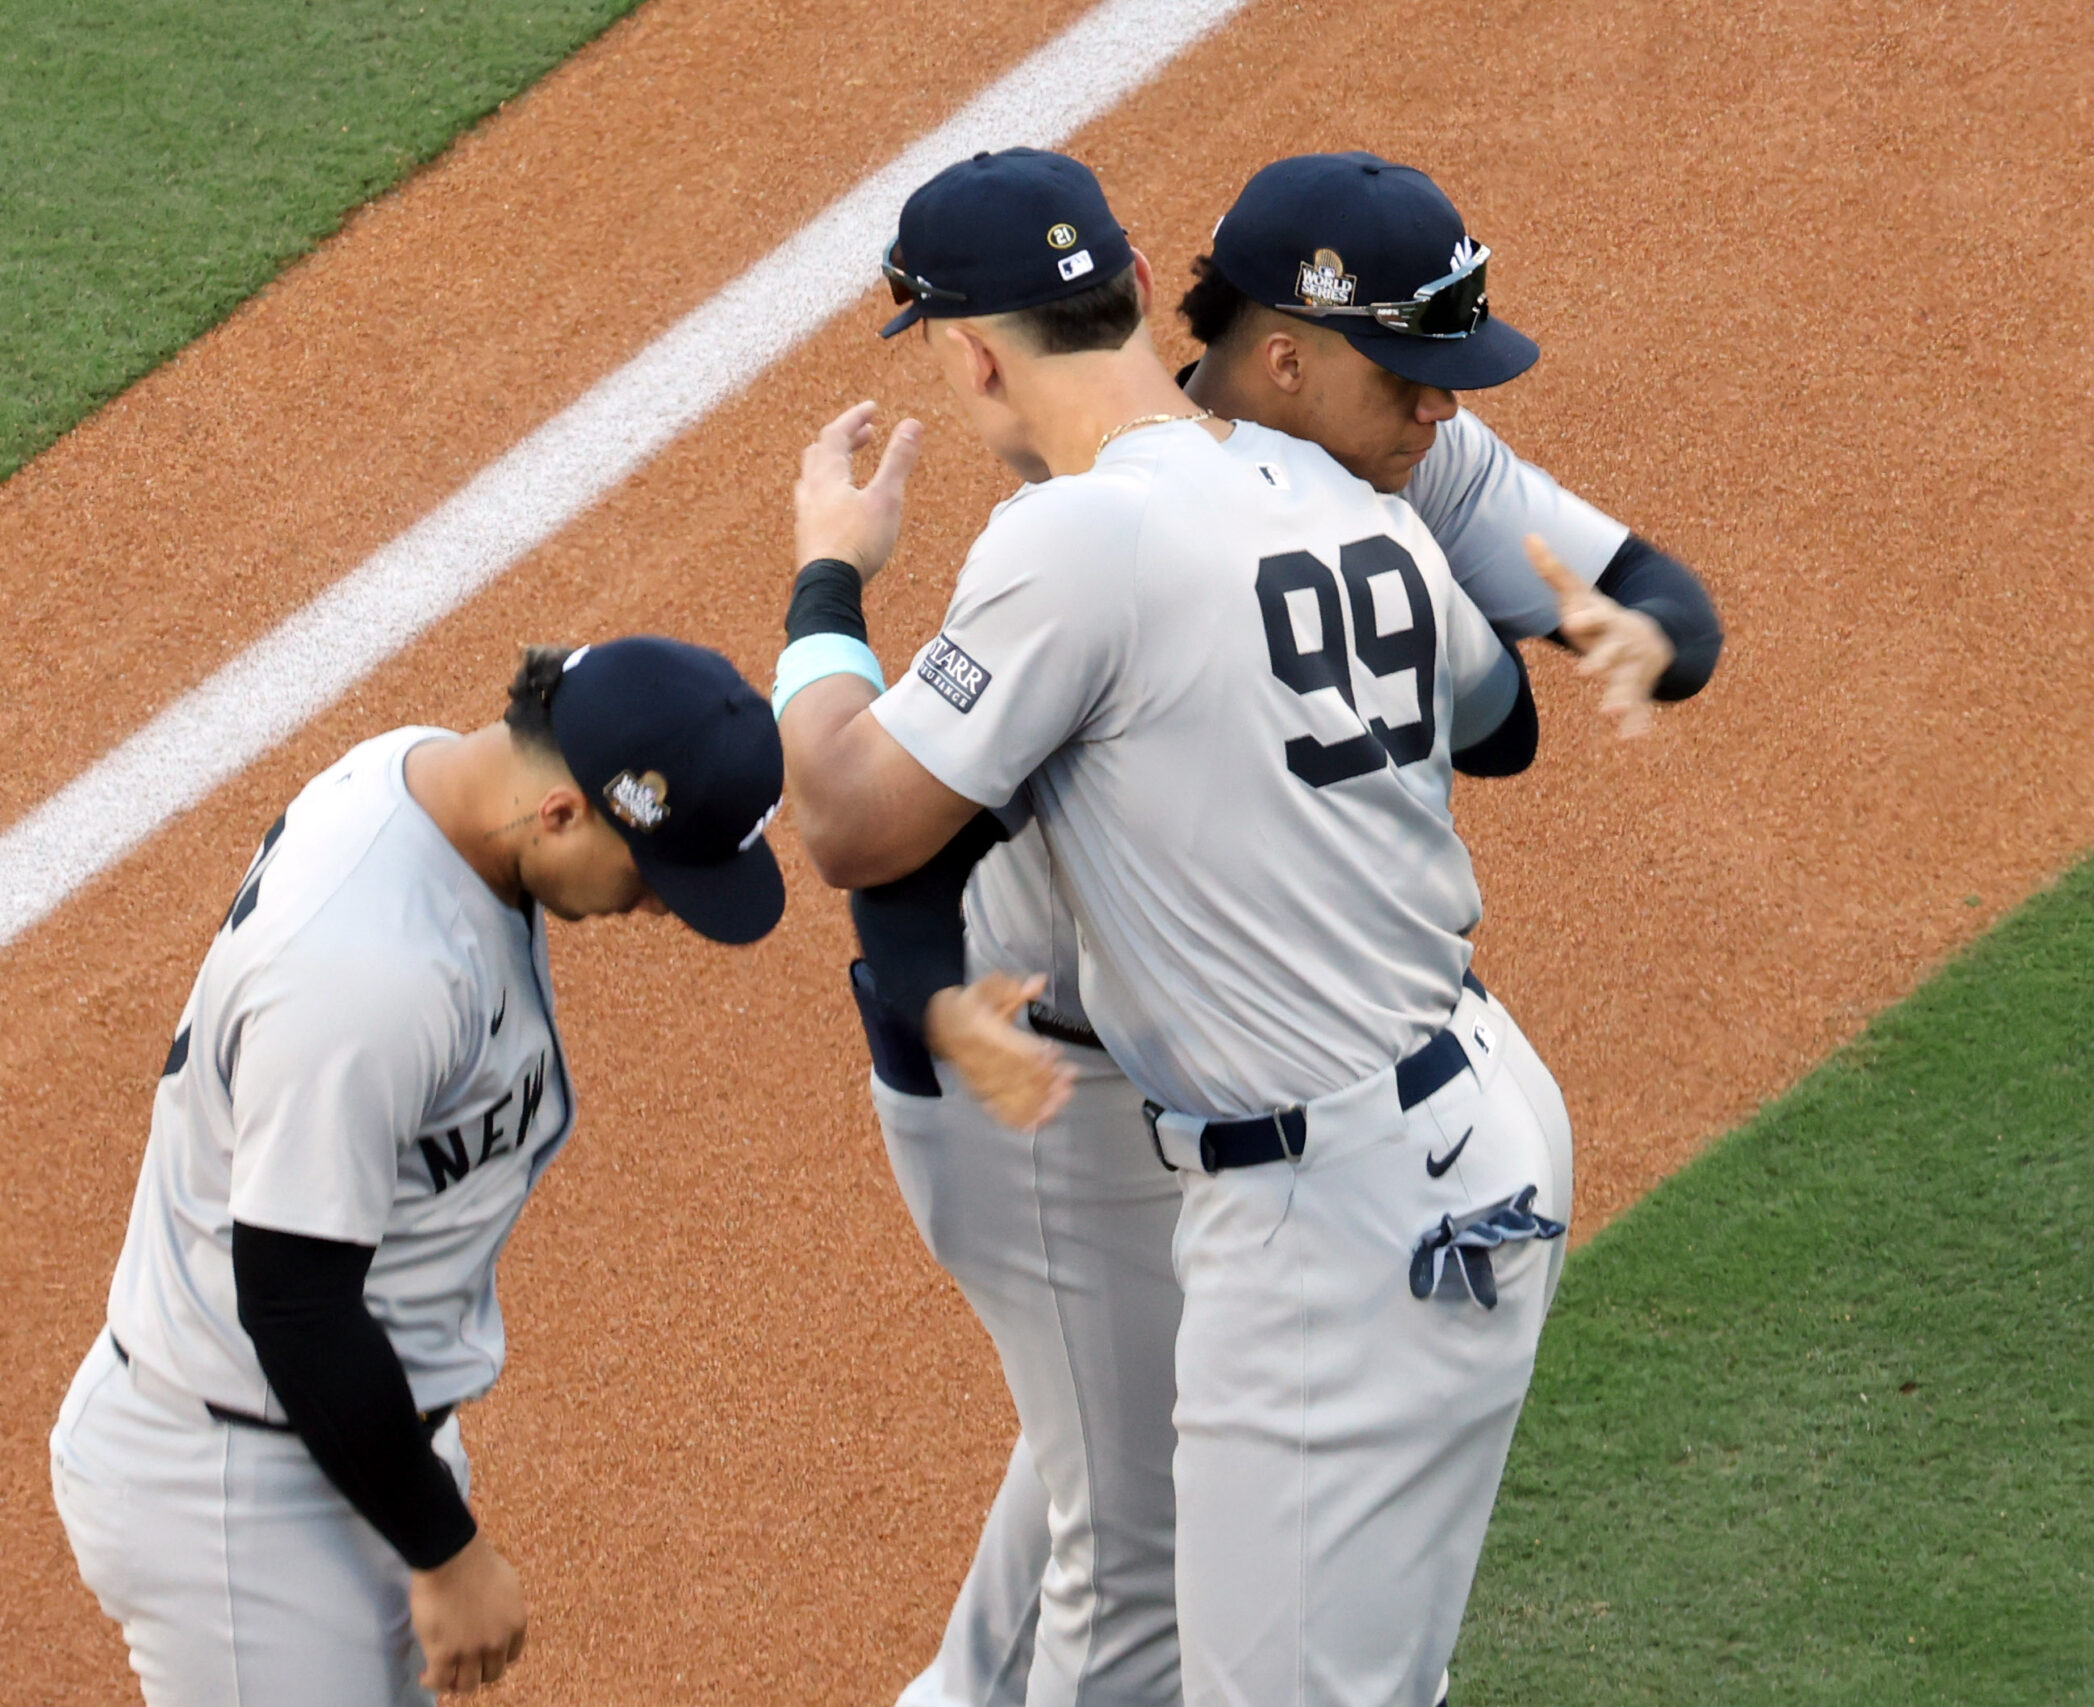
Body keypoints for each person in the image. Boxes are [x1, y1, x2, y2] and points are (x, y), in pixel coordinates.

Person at [847, 154, 1724, 1707]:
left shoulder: (1241, 497)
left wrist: (827, 591)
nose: (1444, 413)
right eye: (1418, 374)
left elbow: (864, 822)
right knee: (1103, 1533)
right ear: (1283, 356)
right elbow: (1496, 711)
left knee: (1166, 1595)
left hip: (1325, 1158)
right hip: (1333, 1100)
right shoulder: (1314, 493)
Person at [51, 637, 789, 1704]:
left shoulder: (441, 792)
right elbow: (295, 1305)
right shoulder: (370, 975)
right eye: (656, 876)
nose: (661, 910)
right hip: (240, 1490)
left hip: (328, 1441)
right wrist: (445, 1550)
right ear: (562, 811)